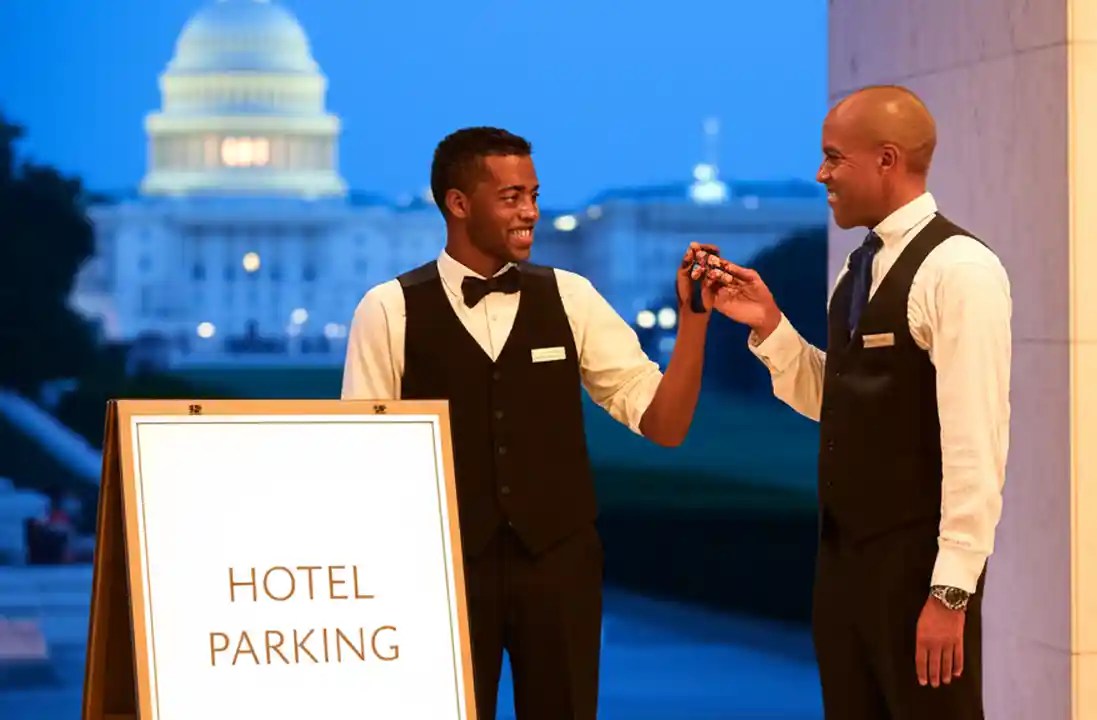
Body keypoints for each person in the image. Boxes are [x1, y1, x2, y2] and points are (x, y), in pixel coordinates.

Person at [341, 126, 714, 719]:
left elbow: (664, 426)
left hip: (560, 567)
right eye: (511, 197)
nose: (531, 212)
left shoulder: (572, 296)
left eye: (534, 195)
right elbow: (363, 461)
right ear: (458, 204)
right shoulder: (387, 310)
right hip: (441, 573)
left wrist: (694, 322)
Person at [704, 85, 1011, 718]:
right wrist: (769, 325)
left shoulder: (961, 270)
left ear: (887, 160)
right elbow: (843, 402)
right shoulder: (856, 268)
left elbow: (976, 443)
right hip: (844, 572)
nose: (822, 175)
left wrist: (951, 593)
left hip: (918, 574)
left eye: (833, 158)